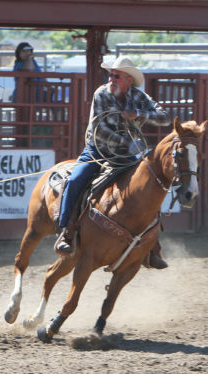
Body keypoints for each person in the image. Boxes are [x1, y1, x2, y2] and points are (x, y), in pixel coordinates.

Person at [55, 56, 170, 269]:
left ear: (128, 79)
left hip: (126, 155)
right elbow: (100, 129)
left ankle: (153, 246)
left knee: (148, 189)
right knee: (76, 179)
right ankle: (67, 232)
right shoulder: (102, 93)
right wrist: (127, 143)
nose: (111, 78)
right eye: (111, 74)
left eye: (116, 75)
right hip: (98, 150)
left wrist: (138, 113)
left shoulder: (139, 97)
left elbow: (165, 116)